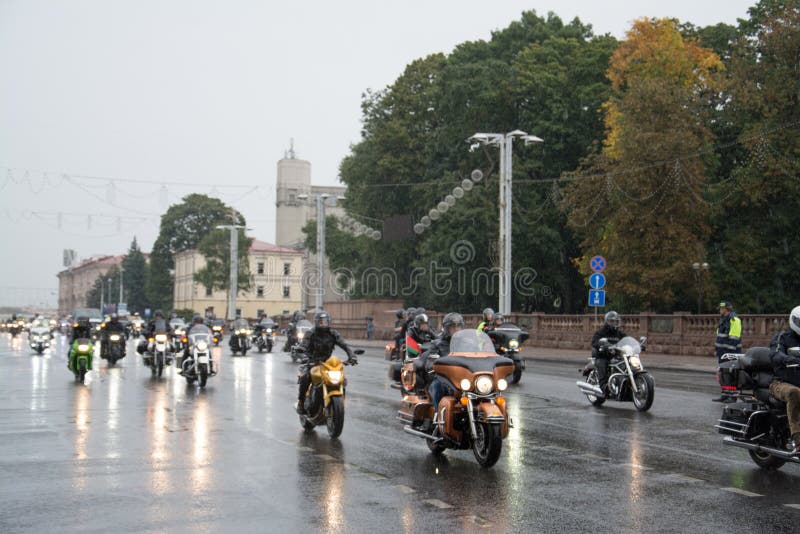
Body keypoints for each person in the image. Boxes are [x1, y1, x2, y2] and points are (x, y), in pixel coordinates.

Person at [296, 311, 357, 414]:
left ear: (329, 322)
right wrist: (301, 349)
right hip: (313, 362)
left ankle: (339, 405)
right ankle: (301, 403)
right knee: (305, 378)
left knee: (342, 380)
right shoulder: (310, 333)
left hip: (327, 363)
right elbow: (304, 344)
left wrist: (352, 356)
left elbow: (345, 345)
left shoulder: (333, 334)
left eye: (325, 322)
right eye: (321, 322)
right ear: (316, 322)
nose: (323, 324)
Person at [769, 306, 800, 455]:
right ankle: (798, 440)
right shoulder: (782, 337)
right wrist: (789, 358)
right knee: (795, 393)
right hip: (781, 383)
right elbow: (775, 355)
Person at [427, 312, 466, 413]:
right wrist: (433, 364)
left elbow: (476, 356)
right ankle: (439, 416)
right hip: (444, 378)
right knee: (437, 386)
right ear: (447, 328)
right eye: (453, 327)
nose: (456, 329)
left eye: (458, 327)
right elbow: (431, 362)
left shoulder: (467, 343)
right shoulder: (437, 344)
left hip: (464, 378)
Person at [591, 311, 628, 396]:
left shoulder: (619, 333)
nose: (614, 323)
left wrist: (637, 345)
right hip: (602, 356)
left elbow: (627, 339)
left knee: (629, 363)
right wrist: (602, 345)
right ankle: (604, 387)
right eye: (612, 321)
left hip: (616, 356)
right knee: (602, 364)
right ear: (607, 321)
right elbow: (594, 342)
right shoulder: (601, 332)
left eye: (616, 321)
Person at [713, 300, 743, 402]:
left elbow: (734, 338)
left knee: (731, 373)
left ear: (727, 309)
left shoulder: (734, 319)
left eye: (721, 309)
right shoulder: (723, 319)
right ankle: (725, 394)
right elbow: (719, 337)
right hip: (722, 352)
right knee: (722, 373)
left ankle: (733, 396)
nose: (720, 311)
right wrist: (717, 349)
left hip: (730, 352)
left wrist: (728, 353)